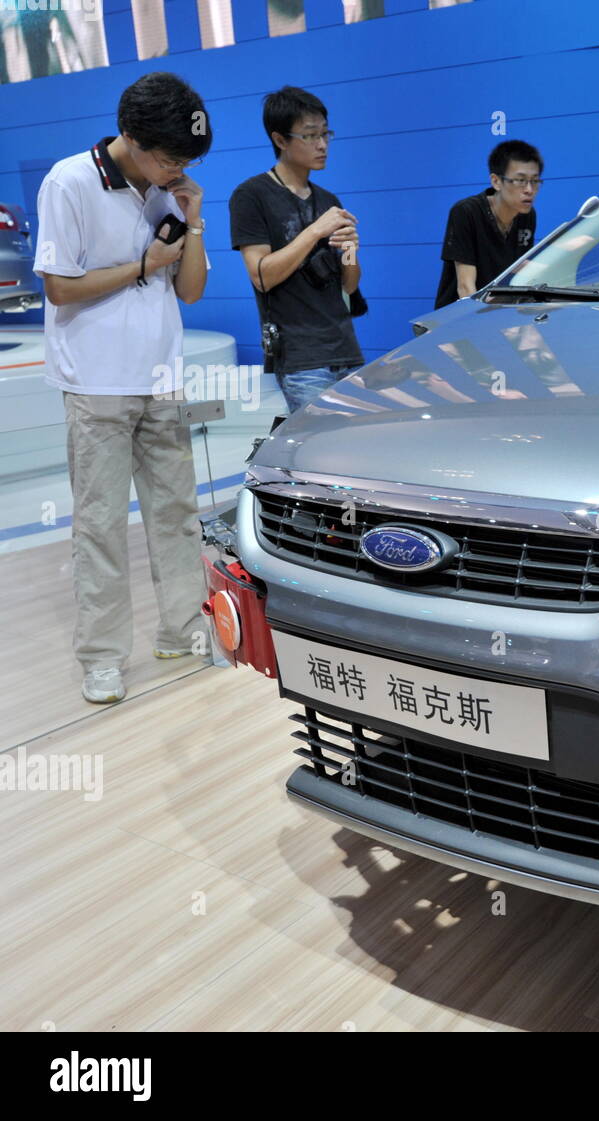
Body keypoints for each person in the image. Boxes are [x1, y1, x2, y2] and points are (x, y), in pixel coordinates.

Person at [34, 71, 213, 704]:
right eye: (169, 158)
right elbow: (59, 288)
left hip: (162, 379)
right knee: (101, 524)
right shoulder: (70, 181)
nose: (176, 169)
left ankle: (184, 627)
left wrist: (191, 221)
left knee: (176, 513)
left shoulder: (172, 192)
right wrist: (142, 266)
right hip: (96, 384)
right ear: (130, 138)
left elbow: (190, 289)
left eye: (186, 160)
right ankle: (104, 657)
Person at [229, 86, 363, 412]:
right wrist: (315, 230)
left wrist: (351, 252)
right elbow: (261, 276)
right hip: (300, 358)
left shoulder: (329, 200)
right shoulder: (251, 196)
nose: (322, 145)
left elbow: (349, 285)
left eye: (325, 134)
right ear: (280, 140)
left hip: (346, 347)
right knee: (320, 452)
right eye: (309, 135)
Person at [435, 140, 542, 308]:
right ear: (496, 181)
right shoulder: (466, 212)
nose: (529, 189)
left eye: (535, 181)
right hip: (459, 317)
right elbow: (465, 288)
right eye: (520, 180)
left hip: (499, 313)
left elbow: (519, 274)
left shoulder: (527, 215)